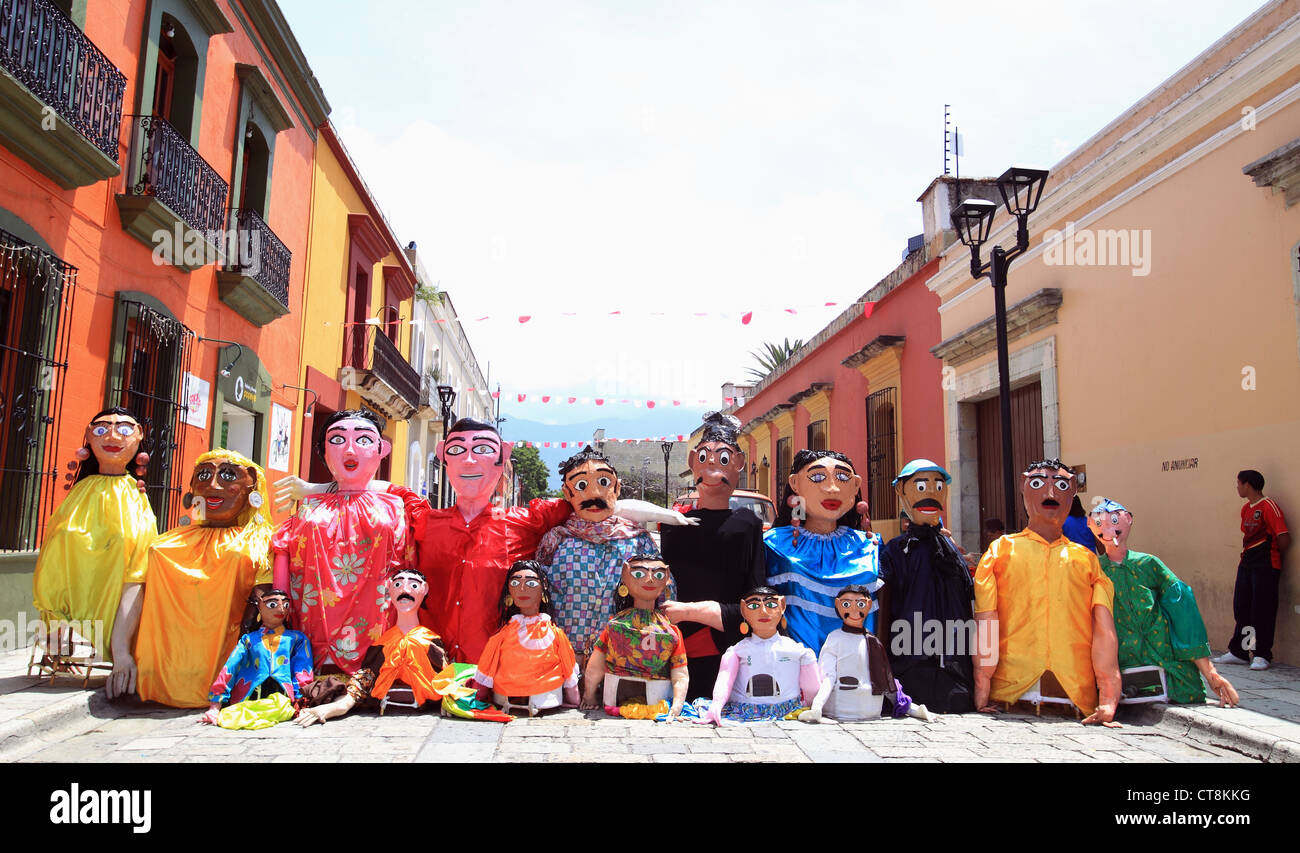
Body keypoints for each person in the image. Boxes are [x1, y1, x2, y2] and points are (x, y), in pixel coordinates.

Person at [275, 417, 690, 664]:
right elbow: (368, 485)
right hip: (433, 664)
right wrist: (313, 489)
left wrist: (669, 514)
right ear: (443, 457)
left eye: (482, 449)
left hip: (496, 666)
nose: (470, 460)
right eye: (458, 450)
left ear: (502, 458)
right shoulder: (423, 516)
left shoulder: (530, 519)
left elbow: (596, 503)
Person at [112, 449, 275, 706]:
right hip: (156, 677)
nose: (212, 485)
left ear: (251, 487)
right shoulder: (164, 544)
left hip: (223, 675)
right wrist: (120, 653)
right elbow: (135, 589)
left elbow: (269, 607)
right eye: (204, 475)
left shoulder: (260, 543)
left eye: (228, 476)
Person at [974, 459, 1122, 725]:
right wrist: (982, 684)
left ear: (1073, 490)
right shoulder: (1000, 551)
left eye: (1061, 485)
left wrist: (1108, 699)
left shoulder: (1086, 561)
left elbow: (1104, 632)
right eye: (1038, 483)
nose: (1050, 493)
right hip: (1010, 695)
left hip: (1075, 698)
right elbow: (987, 619)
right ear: (1023, 486)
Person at [272, 410, 408, 675]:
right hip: (315, 616)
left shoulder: (395, 505)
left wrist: (314, 487)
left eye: (364, 440)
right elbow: (283, 551)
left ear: (383, 450)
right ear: (323, 451)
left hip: (375, 617)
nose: (349, 449)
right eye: (336, 440)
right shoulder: (309, 510)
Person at [33, 408, 157, 673]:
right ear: (89, 435)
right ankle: (55, 647)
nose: (112, 435)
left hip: (117, 582)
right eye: (102, 429)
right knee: (61, 546)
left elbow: (138, 572)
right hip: (70, 582)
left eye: (123, 429)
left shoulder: (135, 497)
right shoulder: (80, 493)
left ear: (139, 436)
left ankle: (117, 646)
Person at [1089, 500, 1238, 707]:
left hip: (1161, 652)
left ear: (1128, 519)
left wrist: (1210, 672)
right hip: (1119, 657)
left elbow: (1183, 612)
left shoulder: (1148, 564)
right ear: (1090, 525)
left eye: (1114, 520)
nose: (1107, 528)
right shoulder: (1094, 569)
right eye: (1099, 522)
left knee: (1186, 692)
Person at [660, 412, 766, 699]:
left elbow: (756, 588)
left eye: (723, 460)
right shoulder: (674, 526)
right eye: (704, 459)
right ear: (694, 462)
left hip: (728, 636)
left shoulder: (747, 525)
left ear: (738, 464)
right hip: (680, 641)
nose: (712, 470)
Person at [536, 446, 665, 667]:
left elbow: (663, 594)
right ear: (567, 493)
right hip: (561, 661)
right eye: (581, 485)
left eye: (603, 482)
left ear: (617, 488)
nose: (594, 495)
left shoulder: (639, 541)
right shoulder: (555, 541)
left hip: (622, 660)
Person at [296, 569, 467, 725]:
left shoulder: (429, 640)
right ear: (390, 590)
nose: (404, 590)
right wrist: (341, 705)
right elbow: (365, 679)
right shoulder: (383, 643)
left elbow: (444, 675)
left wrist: (449, 699)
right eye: (398, 584)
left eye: (413, 585)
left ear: (425, 589)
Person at [877, 459, 975, 713]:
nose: (931, 492)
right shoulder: (897, 551)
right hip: (909, 649)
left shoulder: (950, 549)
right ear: (901, 491)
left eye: (938, 486)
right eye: (921, 486)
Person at [764, 449, 880, 653]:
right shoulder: (774, 544)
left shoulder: (870, 545)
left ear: (855, 486)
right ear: (795, 484)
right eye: (817, 477)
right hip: (795, 665)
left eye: (843, 477)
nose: (832, 488)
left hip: (858, 665)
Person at [581, 553, 688, 720]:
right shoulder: (615, 626)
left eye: (658, 574)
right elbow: (596, 664)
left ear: (666, 577)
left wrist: (677, 703)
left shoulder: (670, 631)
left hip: (647, 700)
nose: (650, 579)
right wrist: (589, 694)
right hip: (626, 698)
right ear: (625, 574)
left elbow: (680, 672)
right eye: (639, 573)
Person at [804, 585, 932, 722]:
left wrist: (909, 707)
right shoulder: (835, 639)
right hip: (841, 708)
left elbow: (884, 680)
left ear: (869, 605)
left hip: (870, 708)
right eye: (847, 604)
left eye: (860, 604)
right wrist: (817, 706)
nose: (854, 610)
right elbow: (828, 676)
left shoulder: (873, 642)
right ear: (838, 605)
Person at [474, 560, 580, 717]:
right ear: (509, 590)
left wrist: (479, 696)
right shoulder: (503, 635)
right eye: (515, 582)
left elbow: (568, 665)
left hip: (544, 693)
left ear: (543, 587)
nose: (522, 589)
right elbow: (487, 665)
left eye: (530, 583)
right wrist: (574, 700)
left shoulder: (555, 634)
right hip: (514, 693)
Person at [701, 587, 820, 724]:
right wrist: (716, 705)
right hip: (745, 710)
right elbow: (725, 679)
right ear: (743, 610)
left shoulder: (798, 651)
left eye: (770, 604)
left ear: (782, 606)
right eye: (753, 606)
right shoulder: (737, 651)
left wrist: (813, 707)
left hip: (788, 709)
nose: (763, 611)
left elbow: (812, 688)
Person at [201, 588, 314, 729]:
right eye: (273, 604)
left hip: (285, 698)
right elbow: (230, 667)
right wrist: (215, 705)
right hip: (249, 697)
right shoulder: (249, 640)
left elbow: (302, 670)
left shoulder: (297, 638)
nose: (281, 609)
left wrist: (301, 701)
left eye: (285, 605)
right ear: (260, 606)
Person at [1213, 470, 1289, 671]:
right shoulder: (1246, 509)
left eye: (1239, 483)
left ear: (1248, 485)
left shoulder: (1268, 507)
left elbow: (1283, 537)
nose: (1237, 487)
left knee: (1261, 610)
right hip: (1247, 563)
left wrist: (1270, 555)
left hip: (1266, 565)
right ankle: (1241, 651)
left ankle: (1262, 654)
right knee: (1242, 607)